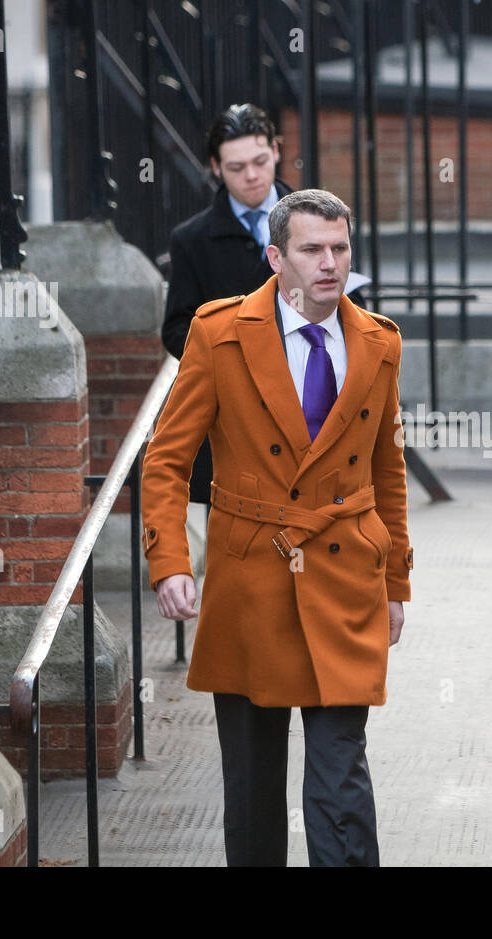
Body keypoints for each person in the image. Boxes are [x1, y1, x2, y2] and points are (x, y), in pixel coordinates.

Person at [142, 188, 413, 866]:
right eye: (312, 249)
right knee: (254, 785)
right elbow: (167, 458)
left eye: (340, 248)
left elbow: (387, 469)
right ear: (275, 257)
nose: (329, 263)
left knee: (340, 773)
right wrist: (171, 560)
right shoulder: (219, 331)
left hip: (347, 574)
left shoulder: (380, 341)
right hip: (251, 580)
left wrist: (397, 582)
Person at [162, 103, 293, 589]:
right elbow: (177, 328)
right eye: (236, 168)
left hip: (310, 404)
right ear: (216, 168)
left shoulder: (320, 219)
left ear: (277, 151)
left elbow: (356, 308)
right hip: (233, 420)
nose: (252, 176)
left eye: (260, 161)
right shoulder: (192, 240)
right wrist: (238, 354)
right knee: (240, 569)